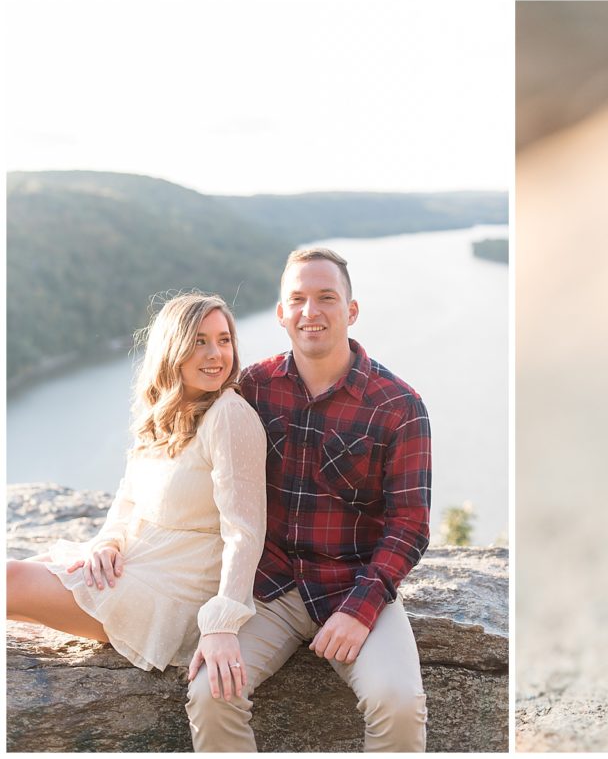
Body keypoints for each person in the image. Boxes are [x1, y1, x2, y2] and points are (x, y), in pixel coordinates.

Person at [186, 247, 432, 752]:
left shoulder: (399, 405)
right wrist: (117, 538)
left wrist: (360, 610)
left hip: (353, 584)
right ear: (281, 313)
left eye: (326, 298)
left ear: (351, 310)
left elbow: (409, 526)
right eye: (297, 299)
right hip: (267, 589)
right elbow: (178, 455)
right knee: (211, 694)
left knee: (399, 702)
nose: (310, 311)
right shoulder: (252, 388)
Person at [6, 293, 267, 697]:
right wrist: (108, 542)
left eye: (224, 340)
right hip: (138, 562)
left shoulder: (229, 416)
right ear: (171, 348)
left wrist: (223, 622)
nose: (215, 354)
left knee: (11, 579)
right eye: (199, 341)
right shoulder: (167, 412)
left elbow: (244, 532)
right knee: (22, 576)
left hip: (173, 589)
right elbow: (129, 494)